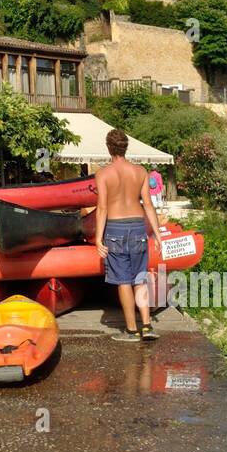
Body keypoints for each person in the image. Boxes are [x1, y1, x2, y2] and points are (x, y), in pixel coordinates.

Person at [93, 129, 163, 343]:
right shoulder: (141, 172)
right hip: (138, 227)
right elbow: (148, 205)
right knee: (139, 277)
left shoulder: (103, 174)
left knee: (123, 281)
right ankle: (147, 326)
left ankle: (132, 331)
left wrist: (98, 238)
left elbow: (102, 208)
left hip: (115, 228)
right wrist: (158, 234)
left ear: (108, 148)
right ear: (126, 147)